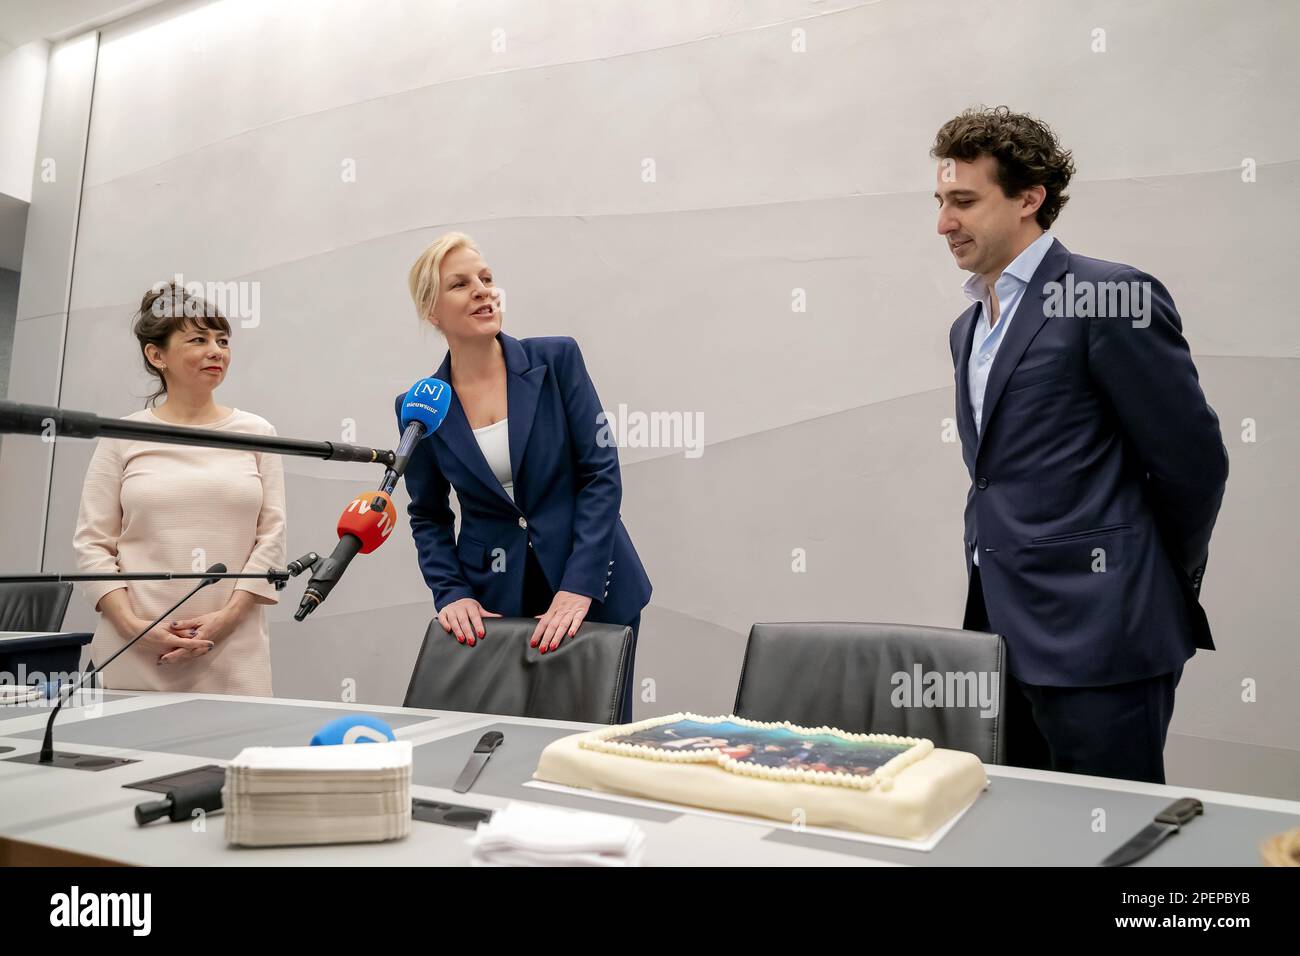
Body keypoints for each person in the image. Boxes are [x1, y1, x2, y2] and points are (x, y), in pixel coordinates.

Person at [932, 106, 1228, 783]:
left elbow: (1194, 464)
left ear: (1029, 198)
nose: (944, 223)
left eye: (964, 201)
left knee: (1111, 843)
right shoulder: (965, 327)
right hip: (1000, 632)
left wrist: (1148, 575)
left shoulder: (1107, 297)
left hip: (1106, 631)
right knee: (1017, 828)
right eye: (942, 201)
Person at [398, 232, 651, 722]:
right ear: (432, 311)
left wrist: (580, 584)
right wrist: (451, 593)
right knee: (511, 744)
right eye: (460, 284)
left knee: (595, 742)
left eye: (486, 279)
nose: (482, 290)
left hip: (591, 585)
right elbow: (427, 514)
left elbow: (600, 474)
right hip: (498, 601)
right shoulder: (419, 406)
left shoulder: (556, 360)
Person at [73, 282, 286, 694]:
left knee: (233, 757)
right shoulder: (122, 435)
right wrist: (134, 627)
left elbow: (271, 540)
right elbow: (93, 545)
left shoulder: (258, 433)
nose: (216, 351)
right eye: (198, 339)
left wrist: (226, 620)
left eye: (222, 340)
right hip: (133, 646)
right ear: (157, 355)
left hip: (231, 647)